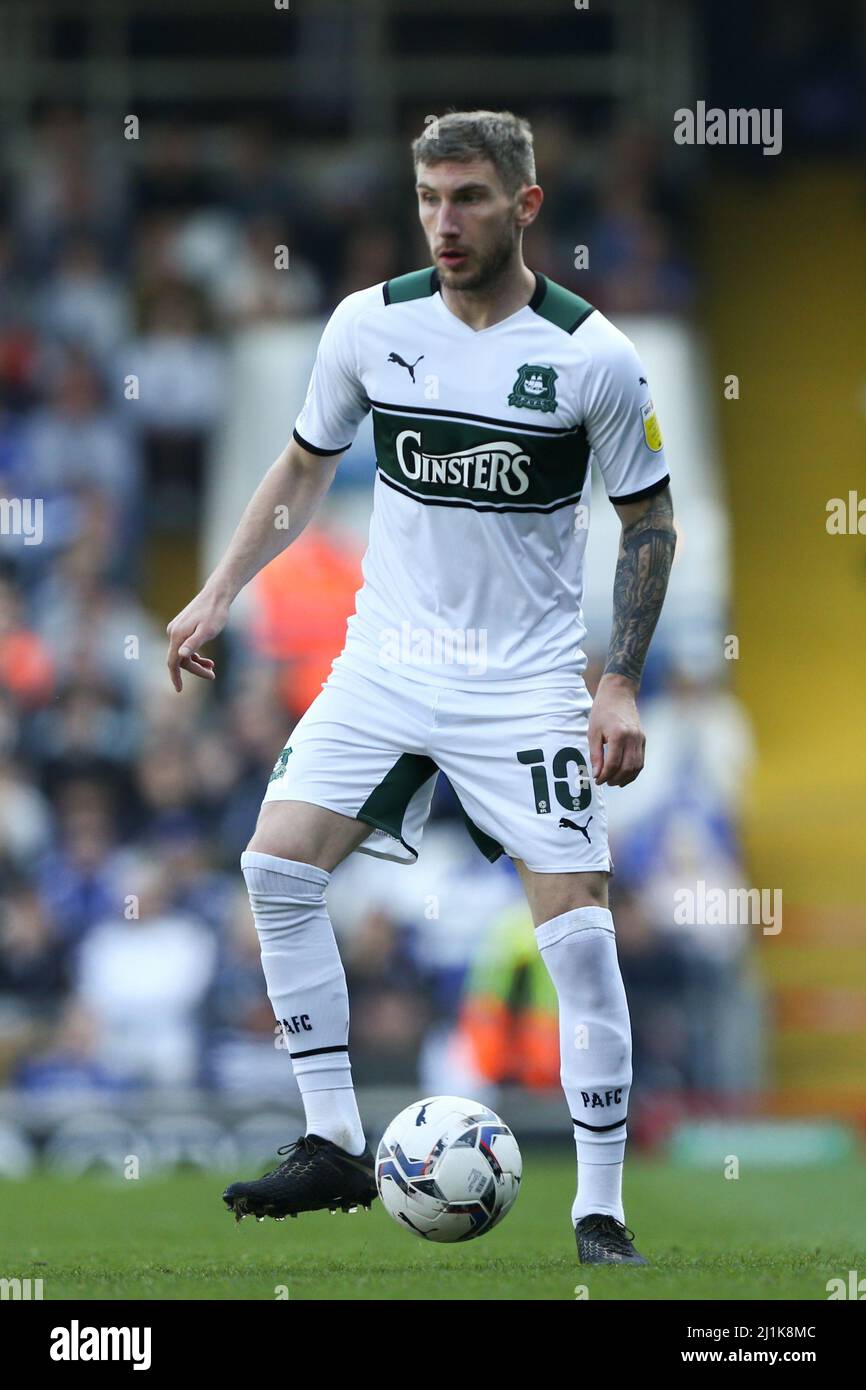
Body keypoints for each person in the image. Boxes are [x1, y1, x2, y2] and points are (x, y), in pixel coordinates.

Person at [165, 110, 676, 1265]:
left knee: (580, 935)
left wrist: (620, 681)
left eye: (470, 199)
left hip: (525, 684)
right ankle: (335, 1141)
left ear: (524, 206)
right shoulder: (368, 323)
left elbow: (647, 518)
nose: (445, 222)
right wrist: (218, 593)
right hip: (385, 664)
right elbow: (303, 463)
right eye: (430, 199)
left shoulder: (590, 354)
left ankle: (598, 1209)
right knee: (273, 863)